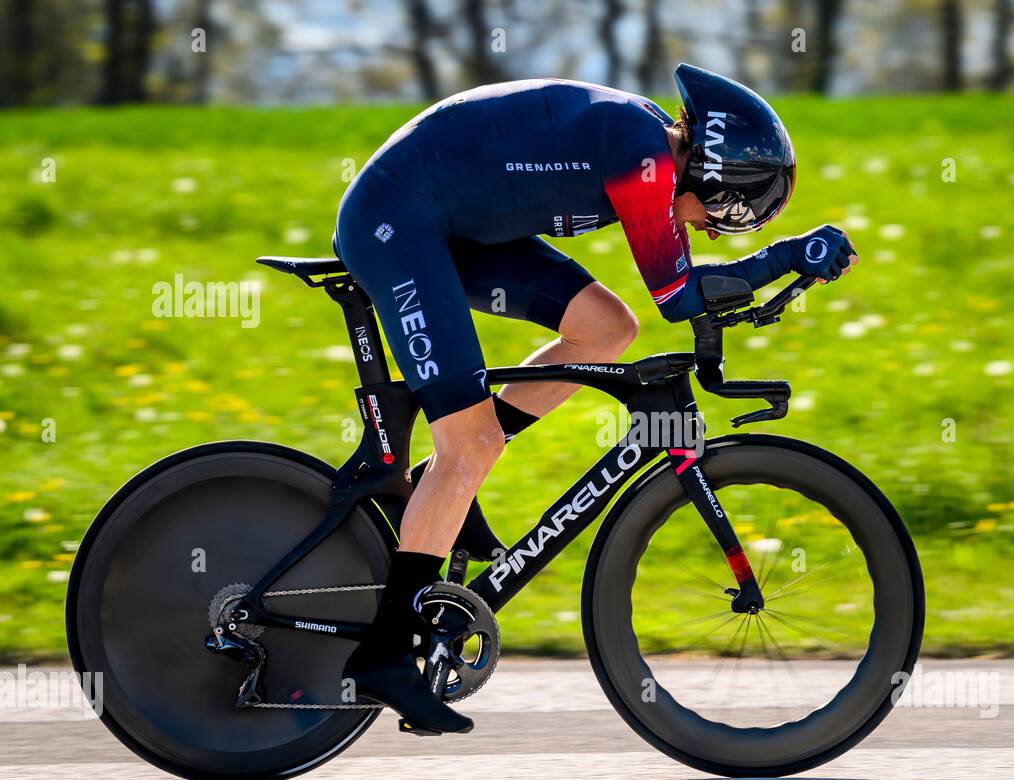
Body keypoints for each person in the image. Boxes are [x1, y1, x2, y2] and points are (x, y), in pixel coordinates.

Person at [334, 63, 857, 735]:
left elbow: (670, 292)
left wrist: (771, 267)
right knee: (471, 446)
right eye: (725, 215)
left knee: (606, 330)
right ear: (714, 176)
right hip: (398, 222)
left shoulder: (646, 147)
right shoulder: (641, 159)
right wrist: (781, 258)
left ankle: (445, 489)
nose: (713, 232)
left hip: (450, 225)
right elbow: (678, 297)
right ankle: (382, 657)